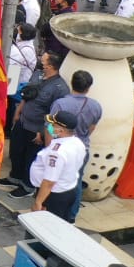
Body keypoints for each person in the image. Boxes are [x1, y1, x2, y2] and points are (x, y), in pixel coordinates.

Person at [1, 53, 68, 197]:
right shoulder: (37, 75)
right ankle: (14, 177)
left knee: (30, 159)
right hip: (22, 122)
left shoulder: (60, 88)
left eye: (43, 60)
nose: (39, 61)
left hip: (37, 130)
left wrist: (43, 133)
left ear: (50, 65)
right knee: (16, 152)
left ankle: (27, 186)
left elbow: (53, 116)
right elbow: (26, 95)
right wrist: (17, 113)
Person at [51, 70, 102, 219]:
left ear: (72, 83)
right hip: (82, 149)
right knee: (76, 180)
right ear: (88, 87)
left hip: (60, 148)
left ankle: (53, 212)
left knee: (55, 179)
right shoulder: (96, 106)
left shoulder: (60, 103)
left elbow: (50, 127)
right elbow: (91, 128)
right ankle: (71, 215)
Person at [30, 109, 87, 222]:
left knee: (45, 227)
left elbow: (49, 181)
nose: (49, 126)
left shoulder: (57, 152)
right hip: (69, 190)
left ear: (60, 130)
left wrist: (39, 202)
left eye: (52, 125)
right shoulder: (77, 143)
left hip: (53, 196)